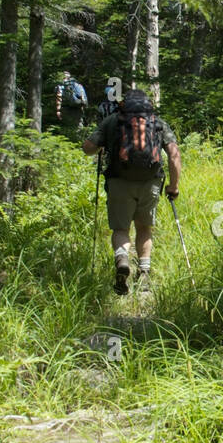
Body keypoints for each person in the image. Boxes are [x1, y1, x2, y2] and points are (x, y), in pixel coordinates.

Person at [83, 88, 181, 294]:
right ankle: (144, 275)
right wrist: (174, 186)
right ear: (148, 104)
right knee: (144, 228)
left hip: (119, 182)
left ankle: (122, 260)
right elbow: (174, 155)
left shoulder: (113, 121)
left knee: (121, 229)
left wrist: (101, 146)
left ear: (124, 104)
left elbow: (87, 147)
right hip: (151, 182)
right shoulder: (157, 122)